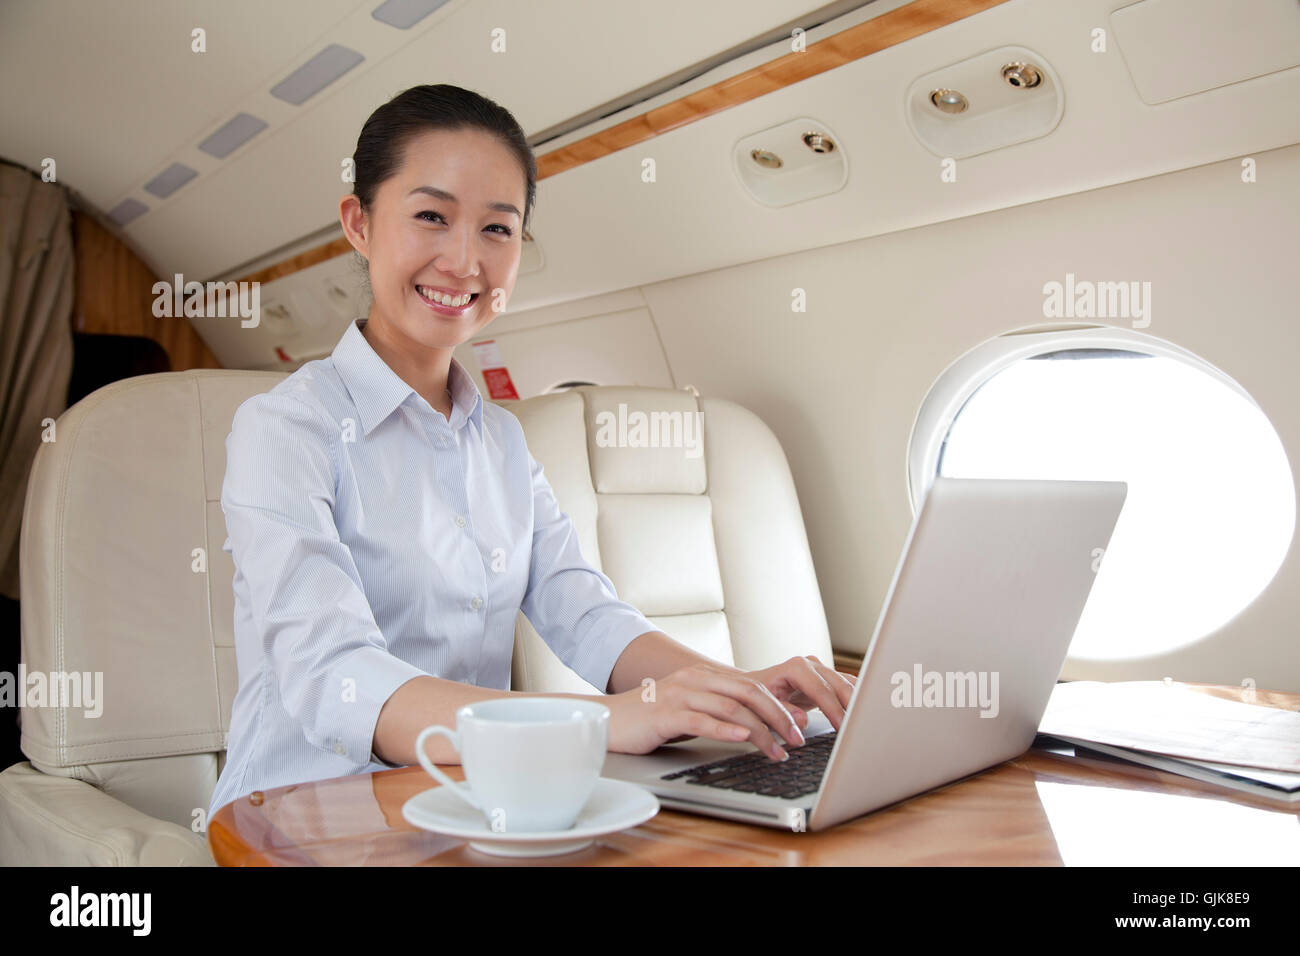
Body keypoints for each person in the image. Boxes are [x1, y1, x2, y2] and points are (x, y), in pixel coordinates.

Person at [207, 84, 855, 819]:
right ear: (359, 224)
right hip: (302, 818)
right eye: (430, 216)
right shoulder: (284, 431)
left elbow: (588, 617)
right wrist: (604, 719)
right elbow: (337, 680)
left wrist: (741, 692)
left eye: (497, 230)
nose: (464, 261)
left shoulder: (503, 441)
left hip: (467, 803)